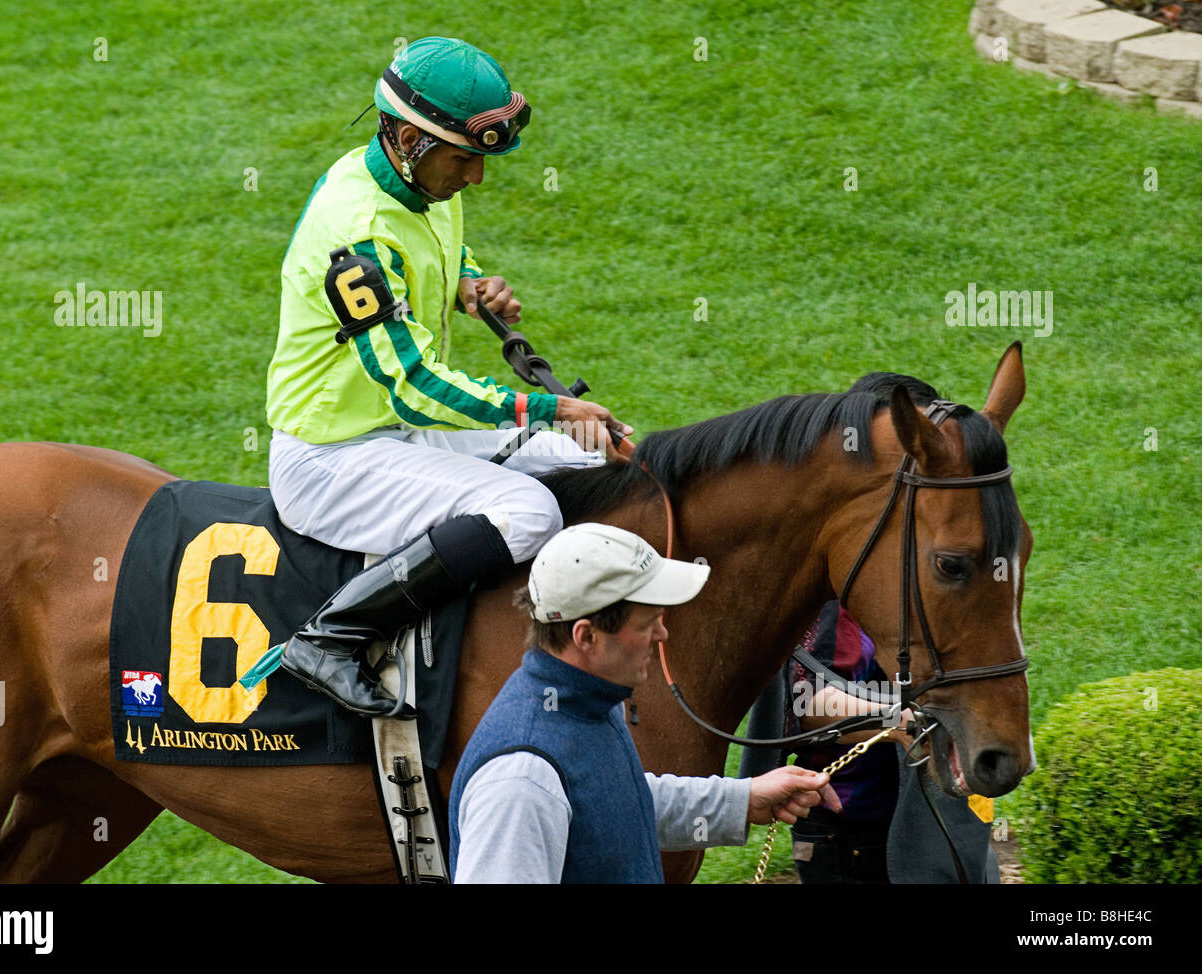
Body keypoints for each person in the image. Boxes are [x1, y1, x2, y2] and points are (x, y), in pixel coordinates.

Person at [263, 37, 630, 717]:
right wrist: (546, 408)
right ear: (409, 138)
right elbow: (414, 387)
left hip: (390, 436)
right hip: (331, 457)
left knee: (585, 457)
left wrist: (468, 283)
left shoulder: (407, 181)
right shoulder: (359, 235)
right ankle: (330, 639)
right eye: (466, 159)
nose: (477, 179)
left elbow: (440, 243)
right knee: (528, 510)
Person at [448, 523, 841, 883]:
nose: (662, 633)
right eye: (647, 622)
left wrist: (743, 800)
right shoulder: (521, 783)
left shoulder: (589, 700)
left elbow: (615, 802)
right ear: (587, 637)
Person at [738, 601, 1000, 884]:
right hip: (852, 837)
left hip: (946, 821)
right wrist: (904, 724)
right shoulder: (836, 602)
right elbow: (809, 704)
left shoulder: (938, 588)